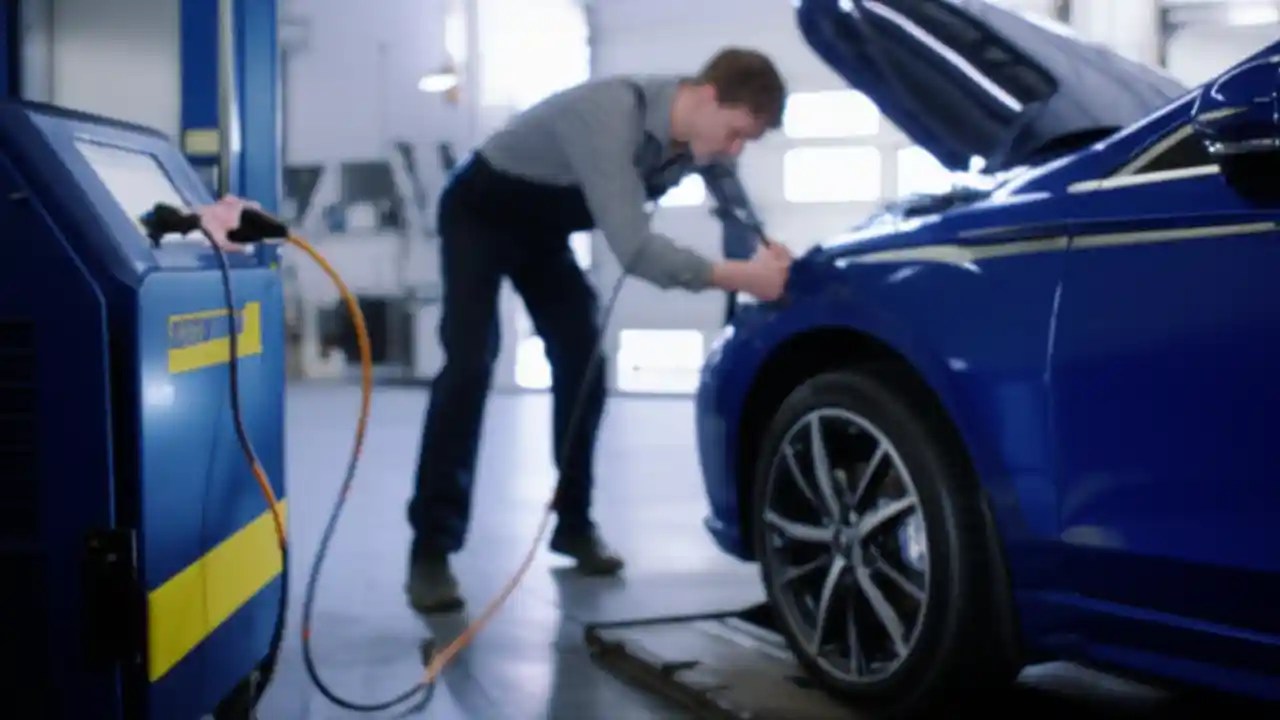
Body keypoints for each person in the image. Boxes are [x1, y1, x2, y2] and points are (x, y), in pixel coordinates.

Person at [406, 47, 792, 613]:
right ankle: (430, 551)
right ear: (709, 95)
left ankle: (574, 525)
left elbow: (735, 211)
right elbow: (634, 249)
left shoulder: (704, 141)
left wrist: (764, 255)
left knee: (583, 360)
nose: (733, 151)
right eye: (735, 133)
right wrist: (737, 277)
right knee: (469, 364)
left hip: (541, 232)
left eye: (746, 142)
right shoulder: (611, 114)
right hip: (480, 212)